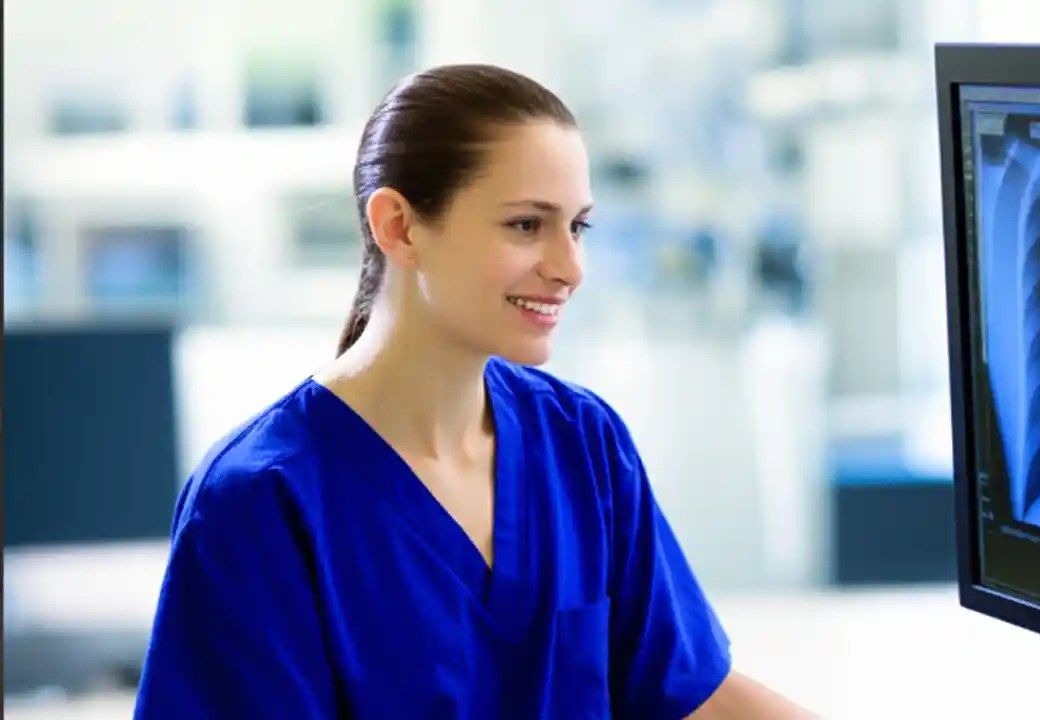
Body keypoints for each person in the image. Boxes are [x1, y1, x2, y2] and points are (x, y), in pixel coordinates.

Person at [133, 64, 816, 719]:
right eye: (526, 225)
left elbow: (693, 696)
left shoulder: (582, 443)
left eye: (578, 226)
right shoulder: (261, 501)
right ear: (398, 226)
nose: (570, 267)